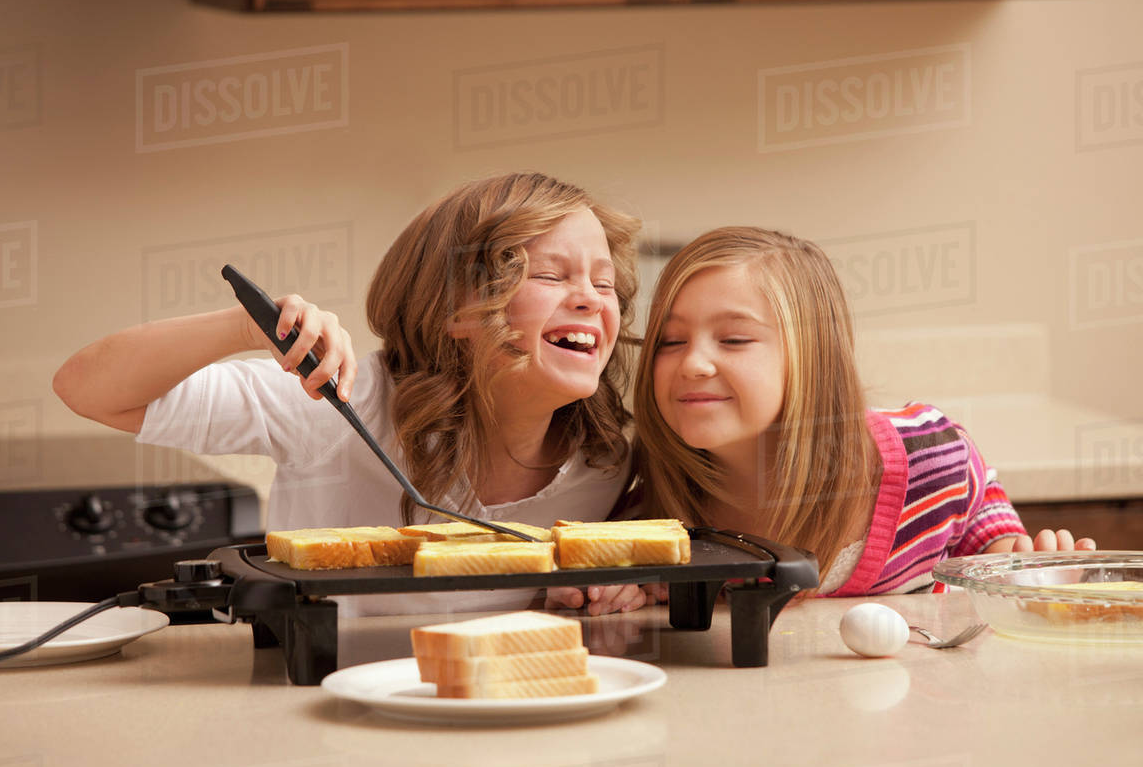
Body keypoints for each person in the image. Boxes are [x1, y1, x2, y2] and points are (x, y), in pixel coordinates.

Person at [53, 172, 649, 614]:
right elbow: (88, 390)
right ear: (453, 311)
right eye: (549, 276)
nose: (592, 299)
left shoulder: (605, 461)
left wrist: (622, 586)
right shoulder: (337, 405)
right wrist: (244, 327)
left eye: (604, 283)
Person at [630, 226, 1095, 596]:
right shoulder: (649, 493)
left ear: (813, 358)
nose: (692, 363)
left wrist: (1011, 556)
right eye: (671, 342)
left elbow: (977, 512)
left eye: (733, 339)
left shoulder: (929, 457)